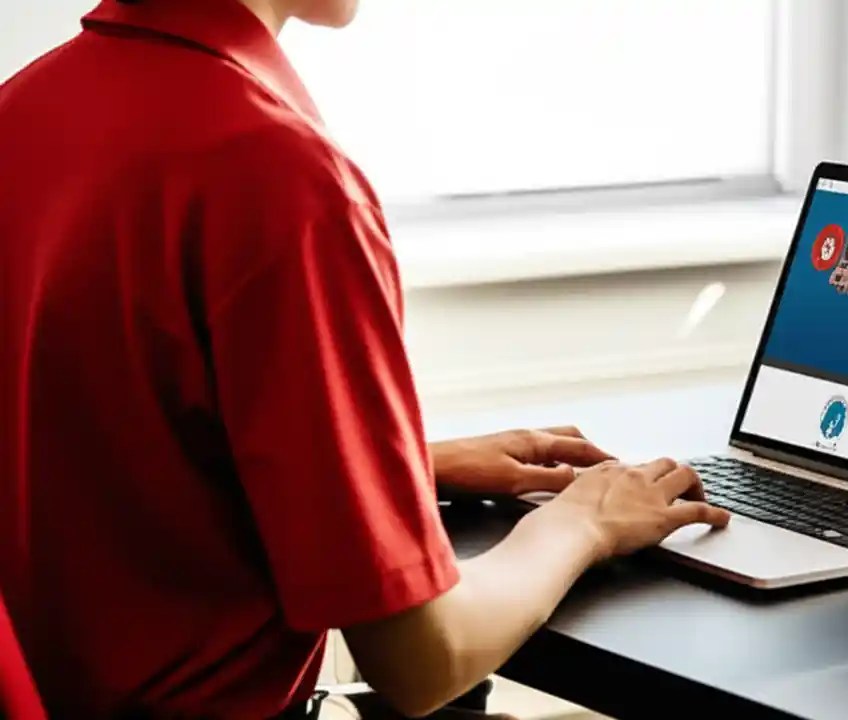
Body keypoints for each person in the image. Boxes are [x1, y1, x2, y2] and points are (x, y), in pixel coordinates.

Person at [0, 0, 731, 717]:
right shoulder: (279, 177)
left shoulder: (25, 107)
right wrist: (583, 521)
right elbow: (422, 660)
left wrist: (383, 469)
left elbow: (98, 443)